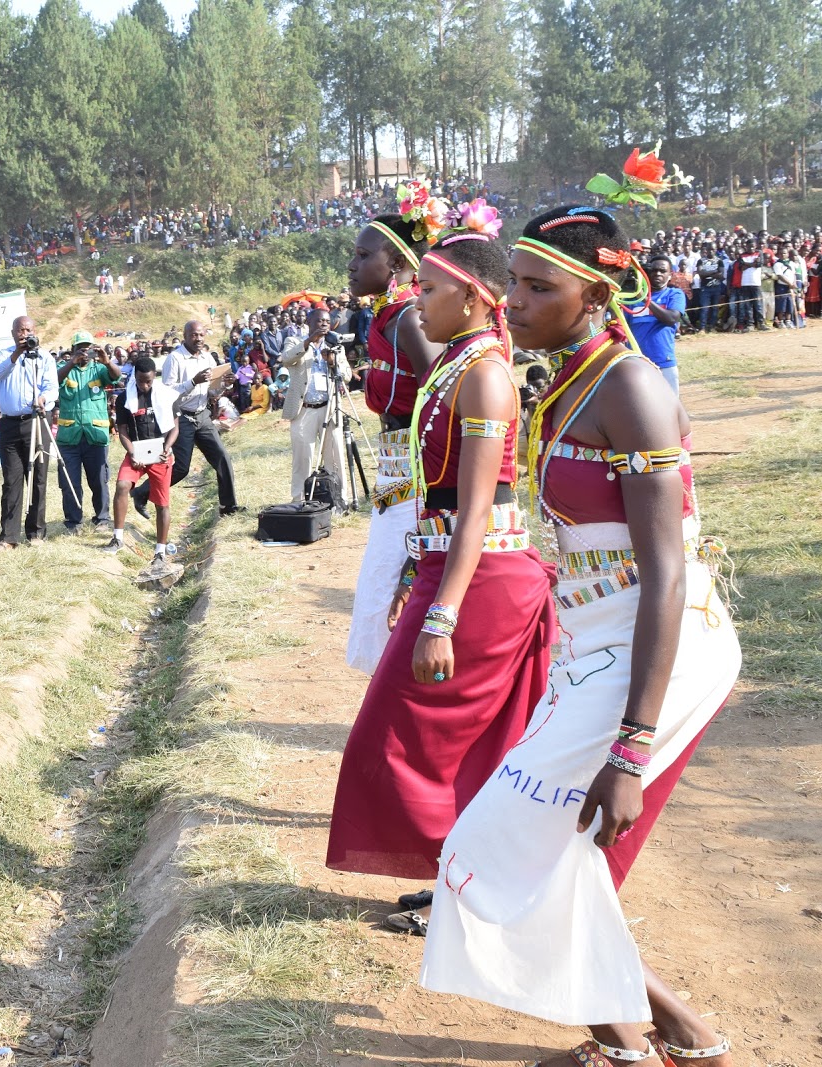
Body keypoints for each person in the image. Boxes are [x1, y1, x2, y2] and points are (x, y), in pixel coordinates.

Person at [421, 204, 741, 1067]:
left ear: (596, 295)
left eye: (537, 288)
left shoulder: (630, 389)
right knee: (535, 850)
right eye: (515, 286)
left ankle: (667, 1036)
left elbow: (667, 575)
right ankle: (656, 1040)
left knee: (489, 847)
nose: (515, 303)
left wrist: (631, 748)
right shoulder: (566, 380)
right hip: (593, 647)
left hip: (656, 649)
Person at [326, 227, 555, 936]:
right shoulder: (459, 361)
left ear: (475, 297)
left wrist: (441, 616)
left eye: (429, 289)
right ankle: (461, 876)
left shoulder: (485, 375)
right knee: (435, 740)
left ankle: (471, 886)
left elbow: (478, 507)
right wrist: (412, 567)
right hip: (448, 565)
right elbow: (439, 492)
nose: (417, 301)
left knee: (411, 736)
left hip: (481, 579)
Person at [345, 210, 442, 675]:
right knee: (381, 575)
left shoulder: (408, 319)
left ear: (399, 265)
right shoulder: (387, 316)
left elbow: (441, 397)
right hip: (394, 465)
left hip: (418, 467)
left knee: (393, 579)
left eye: (364, 255)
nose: (352, 265)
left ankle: (400, 686)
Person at [131, 320, 242, 531]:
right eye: (194, 335)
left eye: (201, 335)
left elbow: (211, 392)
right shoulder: (175, 358)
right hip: (180, 417)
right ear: (185, 336)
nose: (198, 339)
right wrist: (193, 382)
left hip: (202, 415)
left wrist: (225, 385)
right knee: (181, 468)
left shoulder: (208, 358)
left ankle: (228, 506)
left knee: (222, 458)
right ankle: (141, 492)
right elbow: (166, 392)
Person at [104, 356, 181, 574]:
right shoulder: (125, 399)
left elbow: (174, 428)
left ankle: (160, 551)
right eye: (140, 381)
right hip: (136, 453)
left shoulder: (167, 396)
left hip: (161, 454)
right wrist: (132, 453)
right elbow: (123, 431)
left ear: (154, 376)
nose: (144, 386)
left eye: (148, 381)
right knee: (122, 485)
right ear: (134, 377)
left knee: (162, 504)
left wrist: (167, 449)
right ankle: (117, 538)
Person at [0, 316, 58, 548]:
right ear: (13, 333)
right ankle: (9, 537)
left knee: (38, 478)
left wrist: (44, 398)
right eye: (20, 330)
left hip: (36, 421)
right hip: (10, 424)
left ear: (34, 331)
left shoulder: (44, 357)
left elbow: (52, 387)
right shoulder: (3, 354)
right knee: (12, 481)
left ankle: (36, 533)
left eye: (28, 330)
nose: (25, 334)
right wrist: (17, 355)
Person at [287, 307, 352, 509]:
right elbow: (286, 358)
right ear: (308, 323)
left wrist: (332, 362)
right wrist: (309, 342)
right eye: (319, 321)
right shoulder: (294, 341)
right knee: (303, 458)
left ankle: (339, 500)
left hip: (329, 409)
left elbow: (347, 375)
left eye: (326, 321)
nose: (323, 324)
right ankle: (300, 502)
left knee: (335, 456)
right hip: (304, 410)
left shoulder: (335, 346)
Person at [54, 332, 119, 533]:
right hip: (69, 437)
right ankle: (73, 522)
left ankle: (102, 519)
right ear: (72, 350)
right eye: (80, 348)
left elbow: (116, 377)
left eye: (88, 347)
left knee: (99, 480)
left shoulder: (99, 369)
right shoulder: (63, 368)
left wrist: (107, 361)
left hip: (95, 435)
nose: (85, 351)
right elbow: (54, 381)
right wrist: (71, 363)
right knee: (69, 483)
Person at [624, 254, 686, 394]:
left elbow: (671, 318)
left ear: (670, 275)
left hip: (663, 360)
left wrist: (645, 299)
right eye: (654, 270)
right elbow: (622, 325)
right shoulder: (631, 298)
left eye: (662, 271)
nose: (658, 274)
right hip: (636, 362)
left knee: (669, 404)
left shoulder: (674, 294)